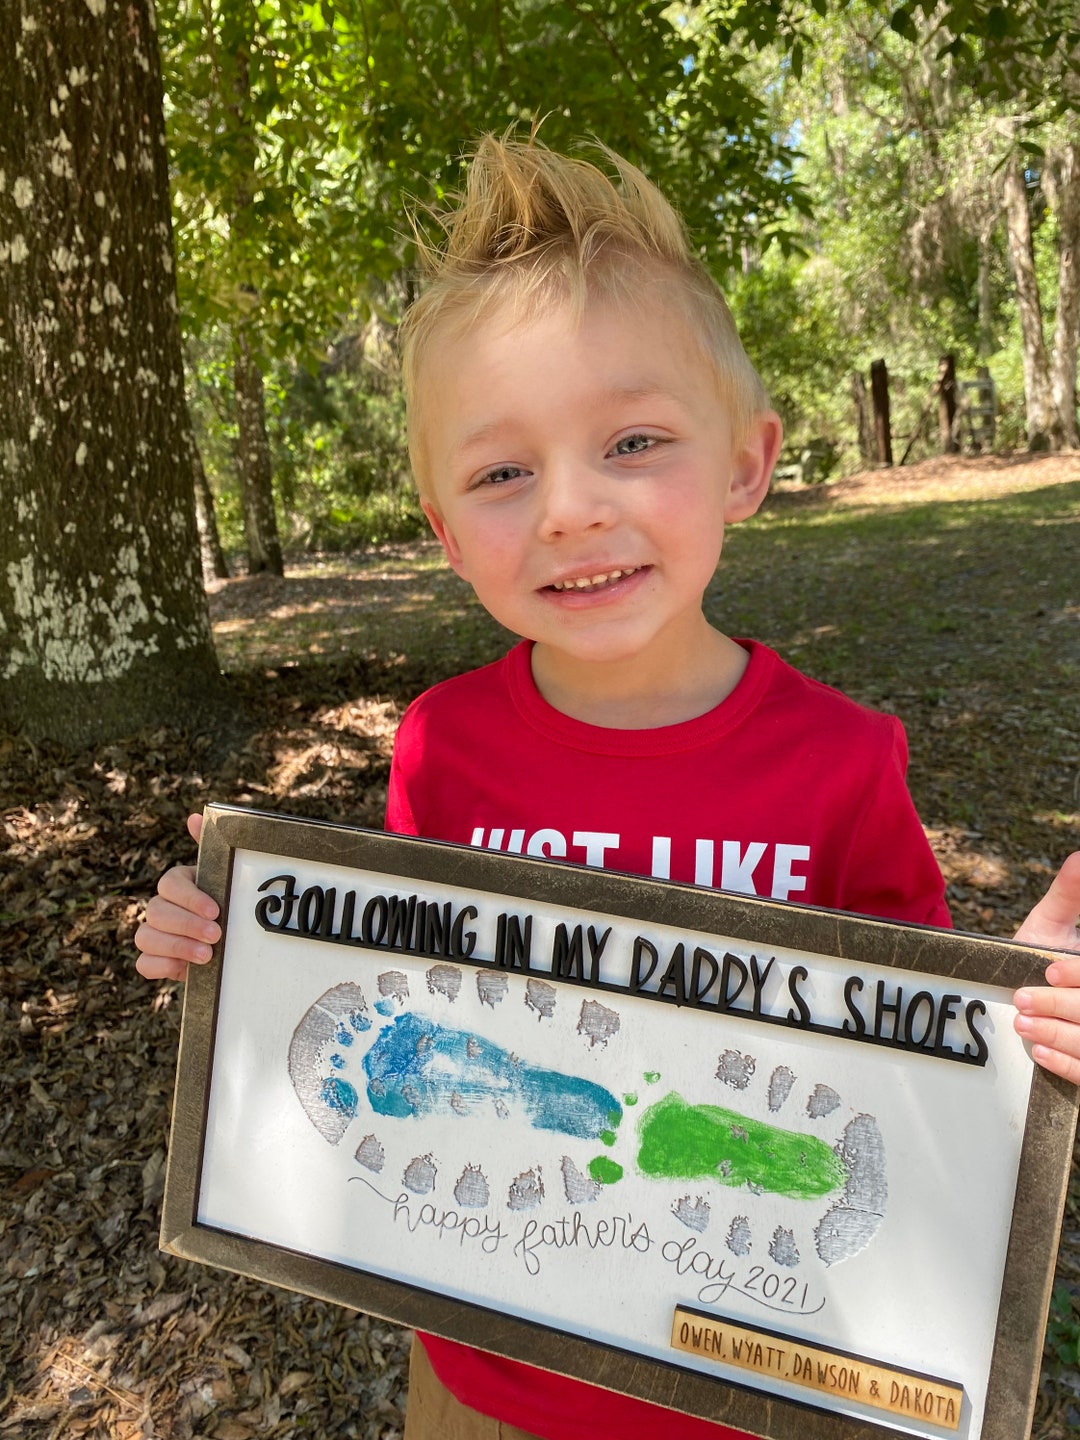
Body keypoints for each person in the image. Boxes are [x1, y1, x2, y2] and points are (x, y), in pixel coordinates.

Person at [135, 136, 1080, 1440]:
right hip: (488, 1377)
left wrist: (1017, 1021)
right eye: (502, 473)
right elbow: (409, 997)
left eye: (633, 441)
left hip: (746, 1374)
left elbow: (905, 1041)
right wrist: (230, 950)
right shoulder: (440, 747)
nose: (571, 509)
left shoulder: (843, 760)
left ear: (745, 463)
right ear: (444, 529)